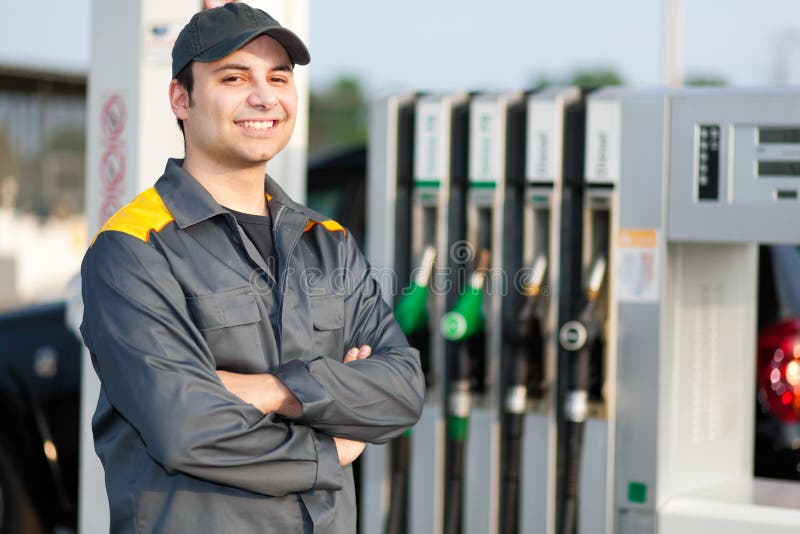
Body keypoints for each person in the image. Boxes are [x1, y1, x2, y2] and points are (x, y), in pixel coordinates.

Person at [79, 3, 425, 533]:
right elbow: (185, 428)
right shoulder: (133, 249)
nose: (263, 96)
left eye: (278, 77)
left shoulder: (326, 242)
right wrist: (331, 444)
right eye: (234, 77)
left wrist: (268, 390)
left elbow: (402, 389)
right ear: (182, 98)